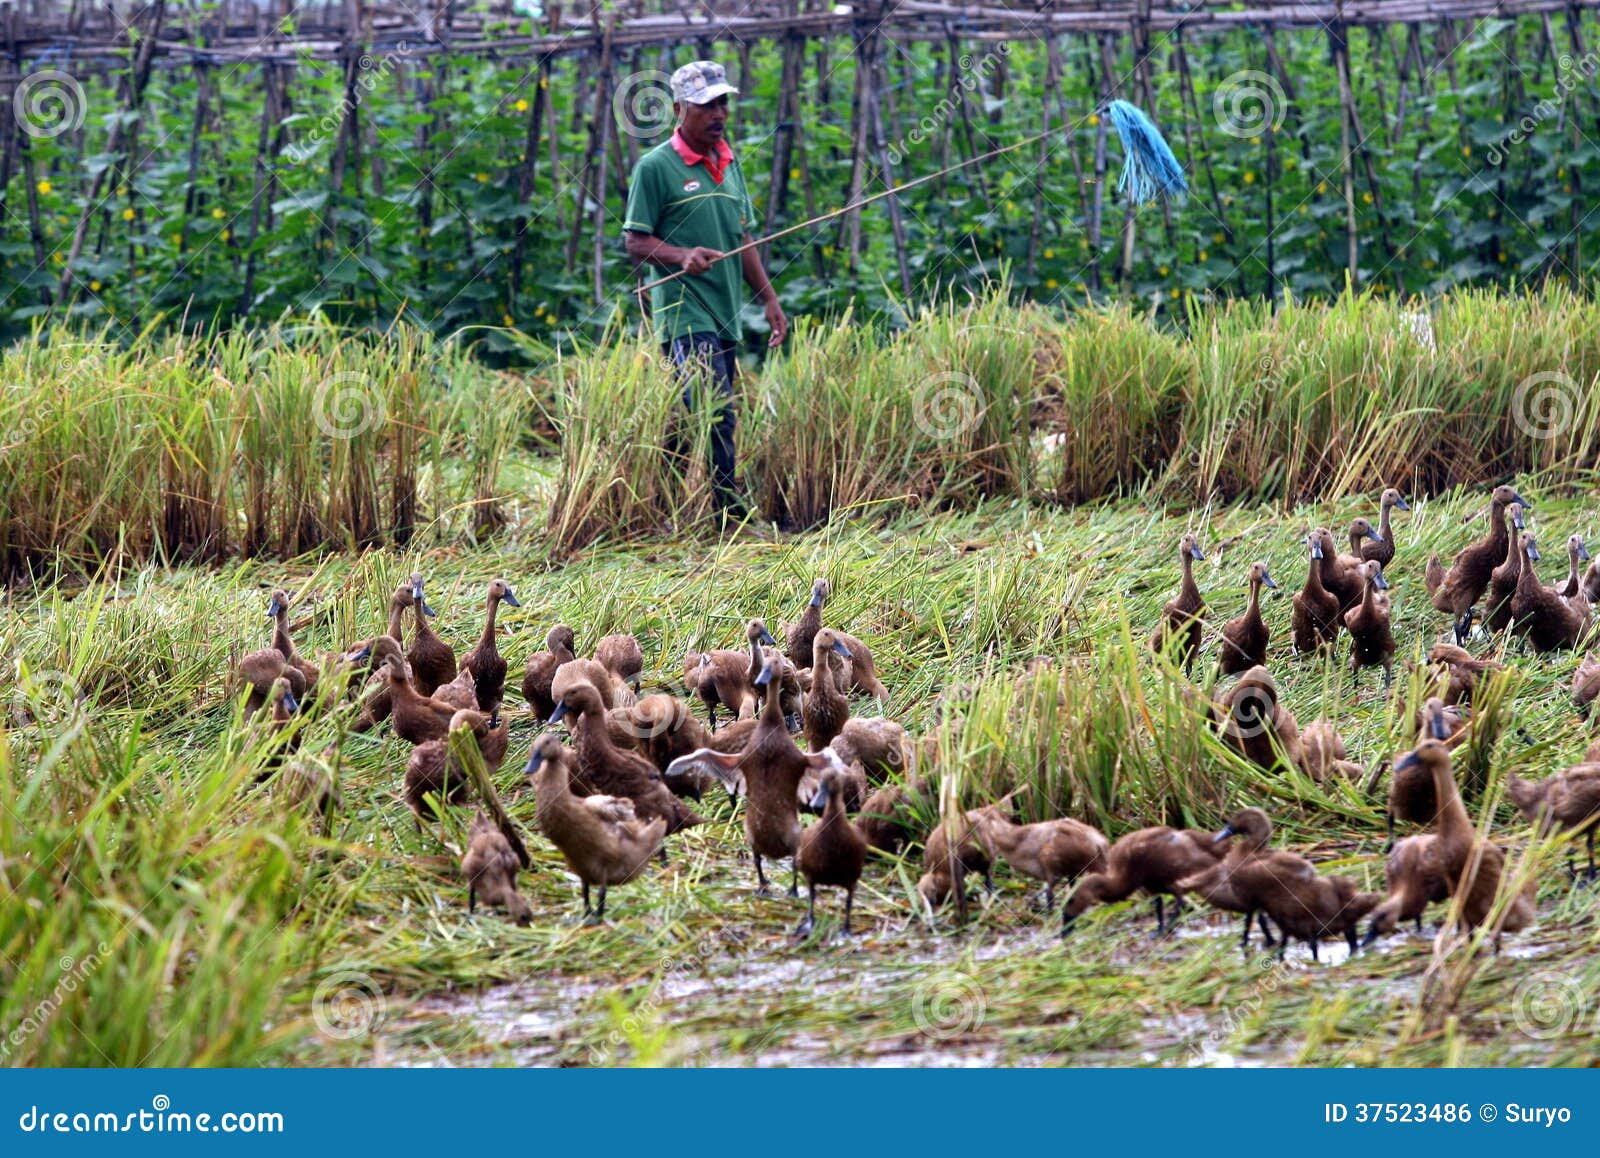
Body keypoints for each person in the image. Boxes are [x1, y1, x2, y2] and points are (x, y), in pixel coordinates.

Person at [623, 60, 788, 516]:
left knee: (685, 416)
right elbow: (635, 240)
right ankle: (729, 515)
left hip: (726, 310)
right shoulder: (655, 168)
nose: (718, 114)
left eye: (722, 103)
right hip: (683, 311)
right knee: (716, 410)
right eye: (705, 106)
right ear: (679, 109)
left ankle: (662, 506)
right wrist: (682, 256)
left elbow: (744, 238)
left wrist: (769, 299)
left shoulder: (729, 163)